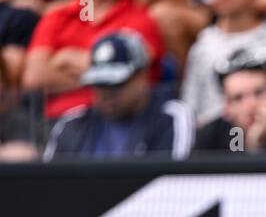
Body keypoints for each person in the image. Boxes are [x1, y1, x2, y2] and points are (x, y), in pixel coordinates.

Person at [23, 0, 165, 120]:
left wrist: (66, 59)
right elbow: (35, 76)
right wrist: (105, 75)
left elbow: (132, 74)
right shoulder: (59, 15)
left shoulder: (141, 17)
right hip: (58, 123)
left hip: (119, 121)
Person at [43, 28, 193, 158]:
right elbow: (49, 185)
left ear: (142, 76)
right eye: (99, 83)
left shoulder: (170, 117)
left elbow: (170, 184)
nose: (106, 93)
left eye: (116, 83)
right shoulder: (72, 124)